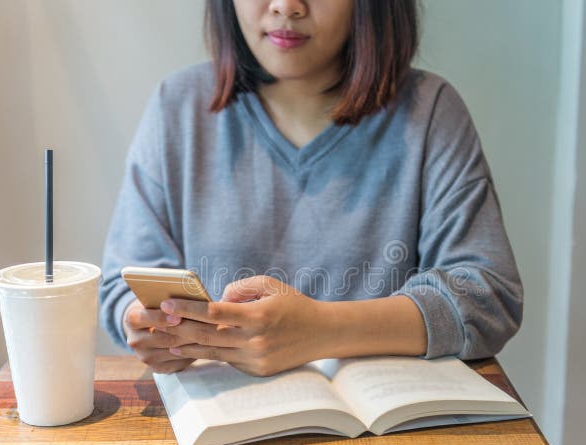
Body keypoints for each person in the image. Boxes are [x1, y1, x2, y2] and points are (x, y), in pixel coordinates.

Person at [99, 0, 523, 377]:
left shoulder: (429, 112)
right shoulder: (178, 106)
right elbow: (123, 284)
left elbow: (487, 295)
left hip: (389, 431)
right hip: (220, 424)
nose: (287, 6)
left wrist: (320, 330)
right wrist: (145, 323)